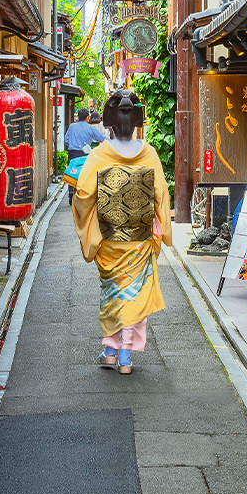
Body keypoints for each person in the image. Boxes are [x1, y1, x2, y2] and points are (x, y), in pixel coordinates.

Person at [71, 89, 172, 375]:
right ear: (138, 120)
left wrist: (88, 221)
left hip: (109, 239)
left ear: (109, 122)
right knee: (136, 294)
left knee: (113, 292)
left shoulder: (100, 155)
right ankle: (126, 354)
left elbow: (84, 194)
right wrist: (161, 229)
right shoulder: (149, 153)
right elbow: (161, 195)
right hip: (139, 241)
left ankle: (110, 350)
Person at [63, 108, 103, 203]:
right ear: (87, 118)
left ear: (78, 117)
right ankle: (83, 194)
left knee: (72, 172)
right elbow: (101, 138)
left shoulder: (72, 126)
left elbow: (66, 140)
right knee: (85, 173)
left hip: (72, 153)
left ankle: (70, 192)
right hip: (85, 154)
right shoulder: (90, 128)